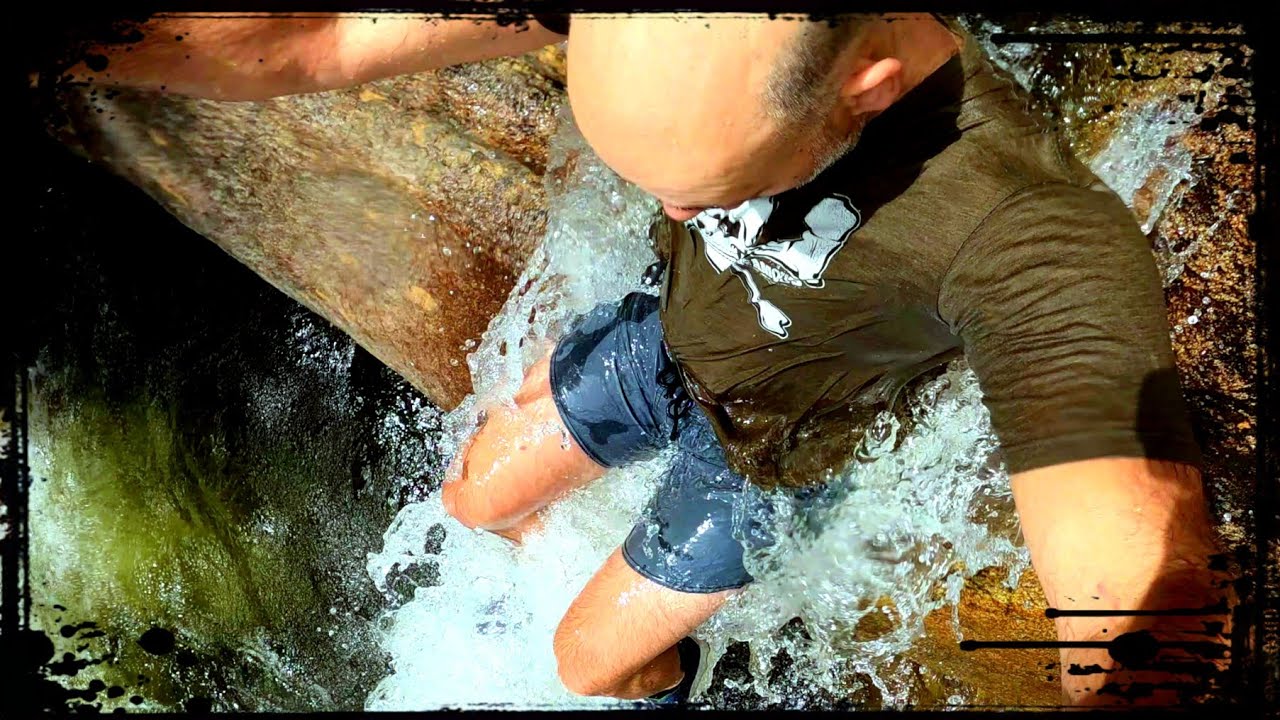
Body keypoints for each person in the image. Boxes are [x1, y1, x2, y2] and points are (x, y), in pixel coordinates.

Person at [67, 12, 1235, 706]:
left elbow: (1128, 555)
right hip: (667, 344)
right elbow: (307, 33)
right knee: (474, 498)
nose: (671, 213)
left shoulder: (1022, 228)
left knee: (582, 663)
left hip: (776, 452)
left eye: (706, 190)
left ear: (866, 87)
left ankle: (673, 674)